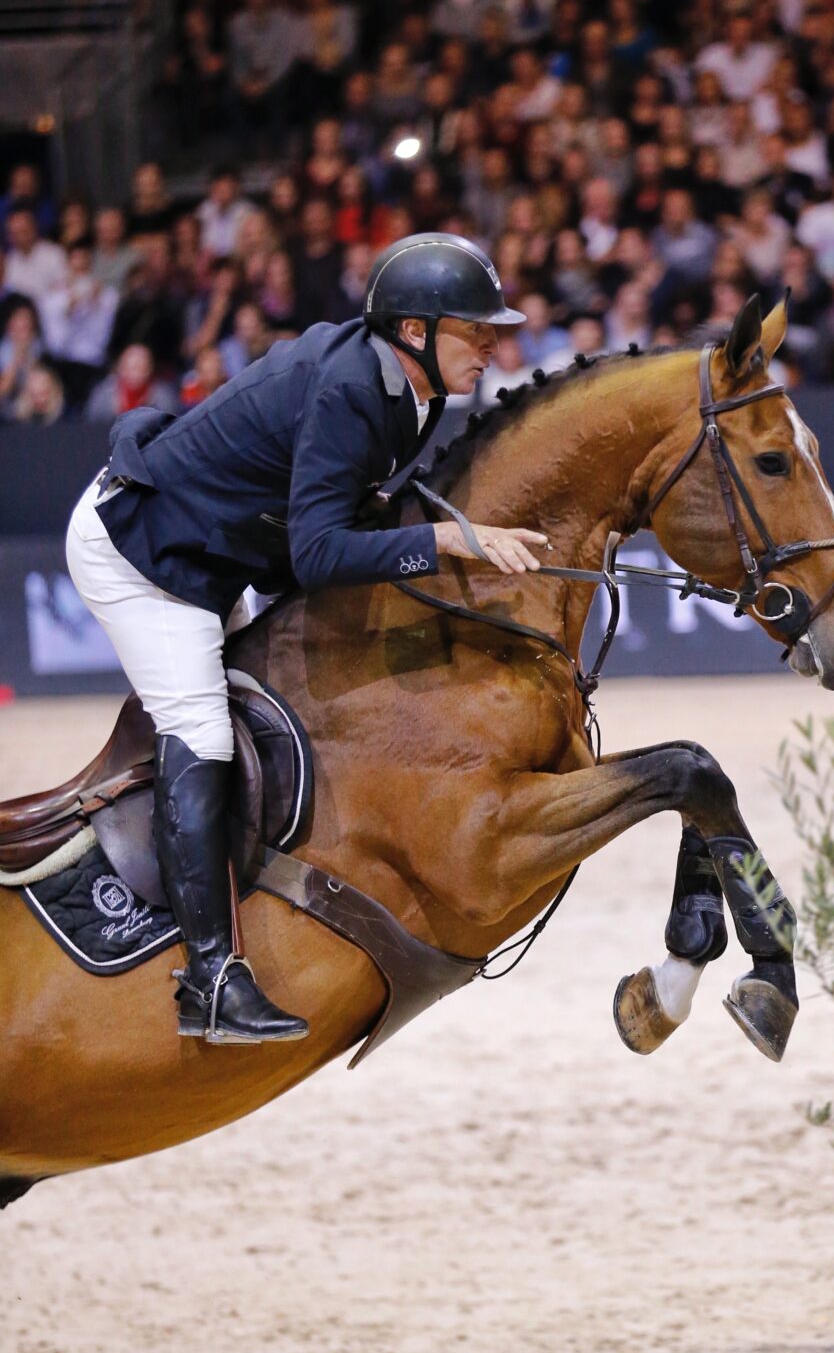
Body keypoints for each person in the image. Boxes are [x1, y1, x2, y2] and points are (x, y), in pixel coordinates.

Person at [65, 233, 545, 1046]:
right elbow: (319, 554)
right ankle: (210, 981)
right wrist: (449, 543)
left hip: (227, 546)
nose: (495, 343)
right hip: (149, 557)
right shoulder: (352, 389)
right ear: (416, 332)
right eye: (478, 328)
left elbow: (337, 524)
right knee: (204, 730)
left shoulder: (417, 390)